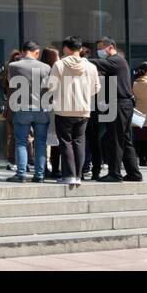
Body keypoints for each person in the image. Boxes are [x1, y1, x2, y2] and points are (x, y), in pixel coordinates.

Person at [46, 36, 99, 188]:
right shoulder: (91, 66)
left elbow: (51, 86)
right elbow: (96, 88)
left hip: (64, 109)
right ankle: (78, 175)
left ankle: (69, 175)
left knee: (65, 142)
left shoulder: (59, 65)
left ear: (65, 49)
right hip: (83, 110)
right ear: (80, 49)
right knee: (79, 142)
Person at [93, 37, 142, 182]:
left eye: (102, 47)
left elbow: (100, 63)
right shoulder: (115, 61)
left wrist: (81, 60)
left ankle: (114, 173)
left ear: (110, 47)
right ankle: (134, 173)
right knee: (124, 140)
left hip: (118, 104)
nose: (99, 51)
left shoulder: (116, 60)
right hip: (121, 104)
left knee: (114, 140)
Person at [6, 41, 50, 183]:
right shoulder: (46, 67)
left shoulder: (13, 66)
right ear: (36, 52)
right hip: (41, 108)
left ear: (23, 51)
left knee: (21, 142)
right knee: (41, 143)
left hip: (22, 107)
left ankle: (21, 174)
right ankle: (39, 175)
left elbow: (10, 83)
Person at [79, 41, 102, 179]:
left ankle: (82, 169)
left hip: (83, 108)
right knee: (94, 141)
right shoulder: (95, 68)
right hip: (95, 108)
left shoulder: (74, 68)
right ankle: (95, 170)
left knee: (82, 140)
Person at [41, 47, 62, 179]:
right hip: (53, 108)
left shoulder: (40, 71)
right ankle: (55, 169)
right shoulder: (55, 72)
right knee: (55, 141)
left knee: (41, 140)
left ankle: (42, 168)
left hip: (41, 107)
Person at [1, 49, 22, 171]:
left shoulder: (8, 69)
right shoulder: (17, 70)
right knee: (26, 137)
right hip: (20, 106)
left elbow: (4, 88)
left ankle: (12, 160)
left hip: (11, 107)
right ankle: (25, 161)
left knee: (13, 136)